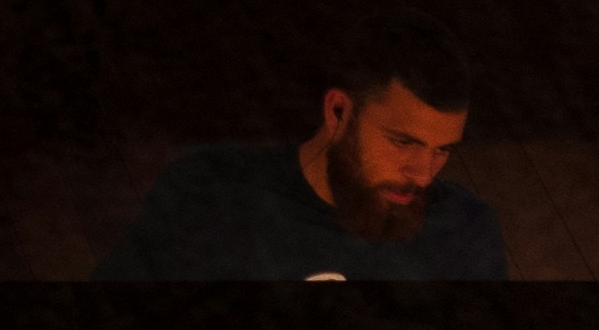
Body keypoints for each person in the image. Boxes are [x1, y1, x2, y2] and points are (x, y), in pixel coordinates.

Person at [97, 18, 504, 280]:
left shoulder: (464, 234)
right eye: (403, 143)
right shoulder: (211, 199)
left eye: (443, 150)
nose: (424, 173)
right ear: (338, 111)